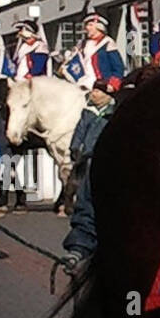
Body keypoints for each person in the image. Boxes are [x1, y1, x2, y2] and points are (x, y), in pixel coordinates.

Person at [62, 79, 116, 264]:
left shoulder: (114, 112)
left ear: (108, 94)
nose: (94, 94)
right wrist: (75, 147)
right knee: (84, 197)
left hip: (107, 160)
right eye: (93, 90)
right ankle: (79, 245)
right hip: (88, 158)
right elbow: (79, 131)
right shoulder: (89, 112)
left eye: (98, 91)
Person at [62, 13, 124, 91]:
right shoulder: (82, 44)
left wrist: (113, 84)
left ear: (99, 27)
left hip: (101, 85)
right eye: (87, 25)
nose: (87, 28)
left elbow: (118, 67)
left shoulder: (107, 43)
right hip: (82, 83)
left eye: (90, 25)